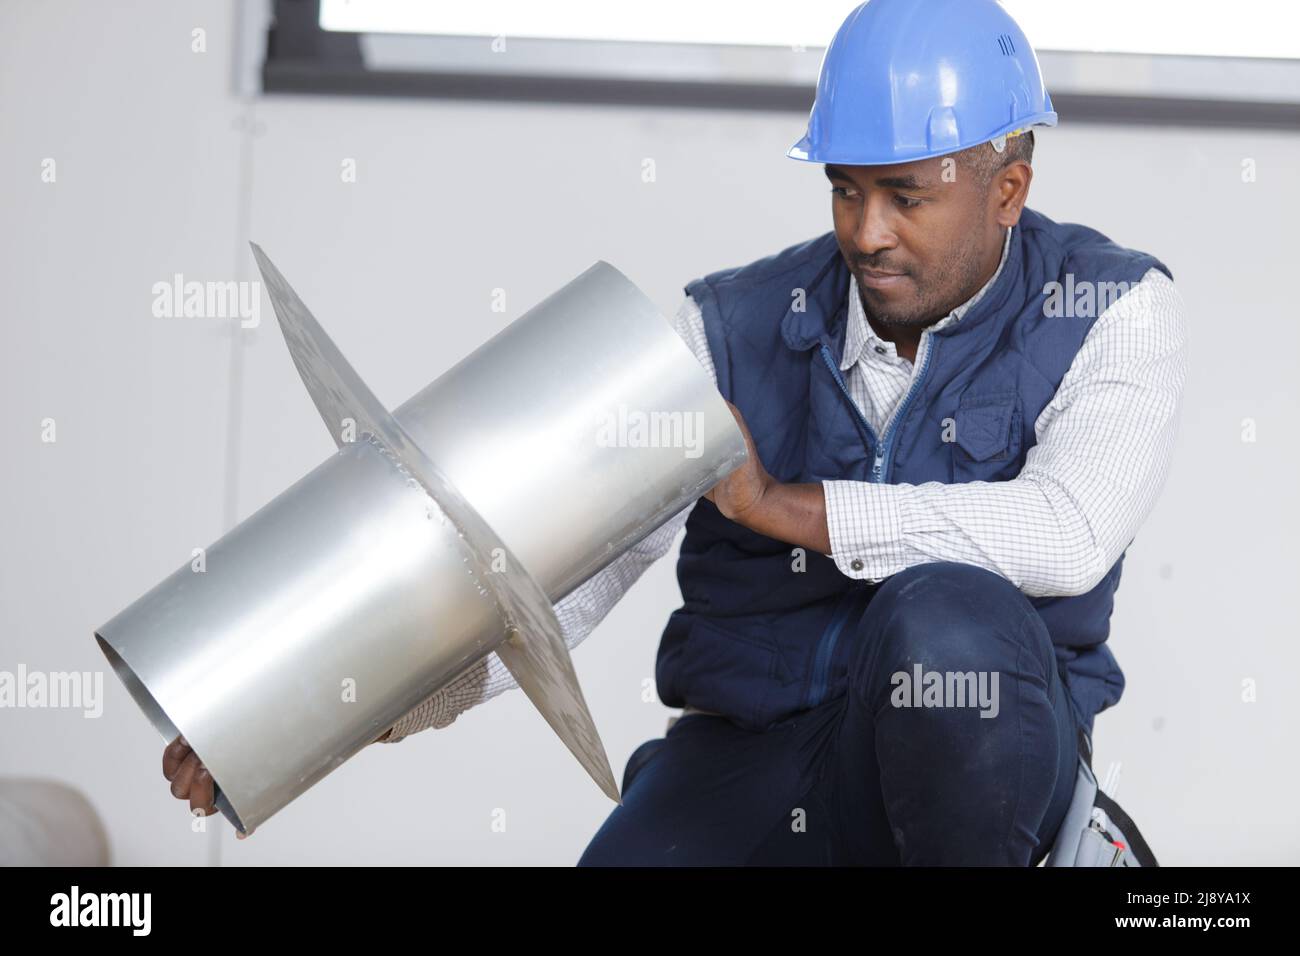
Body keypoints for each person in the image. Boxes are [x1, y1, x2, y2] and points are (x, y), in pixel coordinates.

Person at [165, 0, 1186, 865]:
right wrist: (305, 713)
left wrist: (778, 505)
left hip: (971, 748)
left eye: (904, 197)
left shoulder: (1108, 306)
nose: (864, 232)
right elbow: (550, 588)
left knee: (944, 620)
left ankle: (1065, 844)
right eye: (843, 188)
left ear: (1007, 189)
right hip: (753, 746)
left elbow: (1066, 531)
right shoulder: (727, 326)